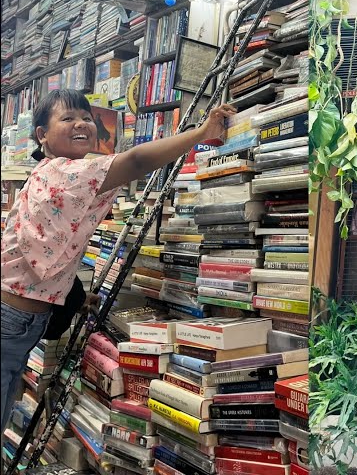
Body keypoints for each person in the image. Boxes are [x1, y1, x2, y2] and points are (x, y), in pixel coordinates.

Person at [1, 90, 235, 425]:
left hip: (19, 317)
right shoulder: (65, 173)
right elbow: (137, 161)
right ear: (42, 135)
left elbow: (49, 252)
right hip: (11, 319)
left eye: (86, 117)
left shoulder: (48, 173)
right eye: (67, 118)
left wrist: (75, 298)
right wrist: (200, 133)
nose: (82, 124)